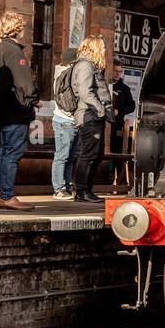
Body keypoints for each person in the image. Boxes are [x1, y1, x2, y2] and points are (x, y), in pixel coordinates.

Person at [0, 10, 38, 212]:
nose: (24, 32)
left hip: (3, 110)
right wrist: (34, 98)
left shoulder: (0, 49)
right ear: (17, 29)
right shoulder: (14, 51)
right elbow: (24, 81)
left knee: (5, 153)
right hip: (16, 111)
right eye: (23, 28)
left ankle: (3, 194)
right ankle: (7, 195)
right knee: (12, 153)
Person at [71, 35, 112, 205]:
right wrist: (101, 110)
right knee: (87, 154)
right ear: (94, 47)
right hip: (89, 115)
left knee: (96, 155)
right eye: (102, 47)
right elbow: (86, 92)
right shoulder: (85, 66)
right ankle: (81, 191)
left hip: (94, 115)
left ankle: (87, 189)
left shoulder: (93, 66)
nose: (104, 50)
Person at [50, 47, 79, 200]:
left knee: (69, 156)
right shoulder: (65, 75)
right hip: (65, 120)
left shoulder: (62, 74)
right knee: (62, 156)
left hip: (68, 120)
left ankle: (66, 186)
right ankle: (59, 188)